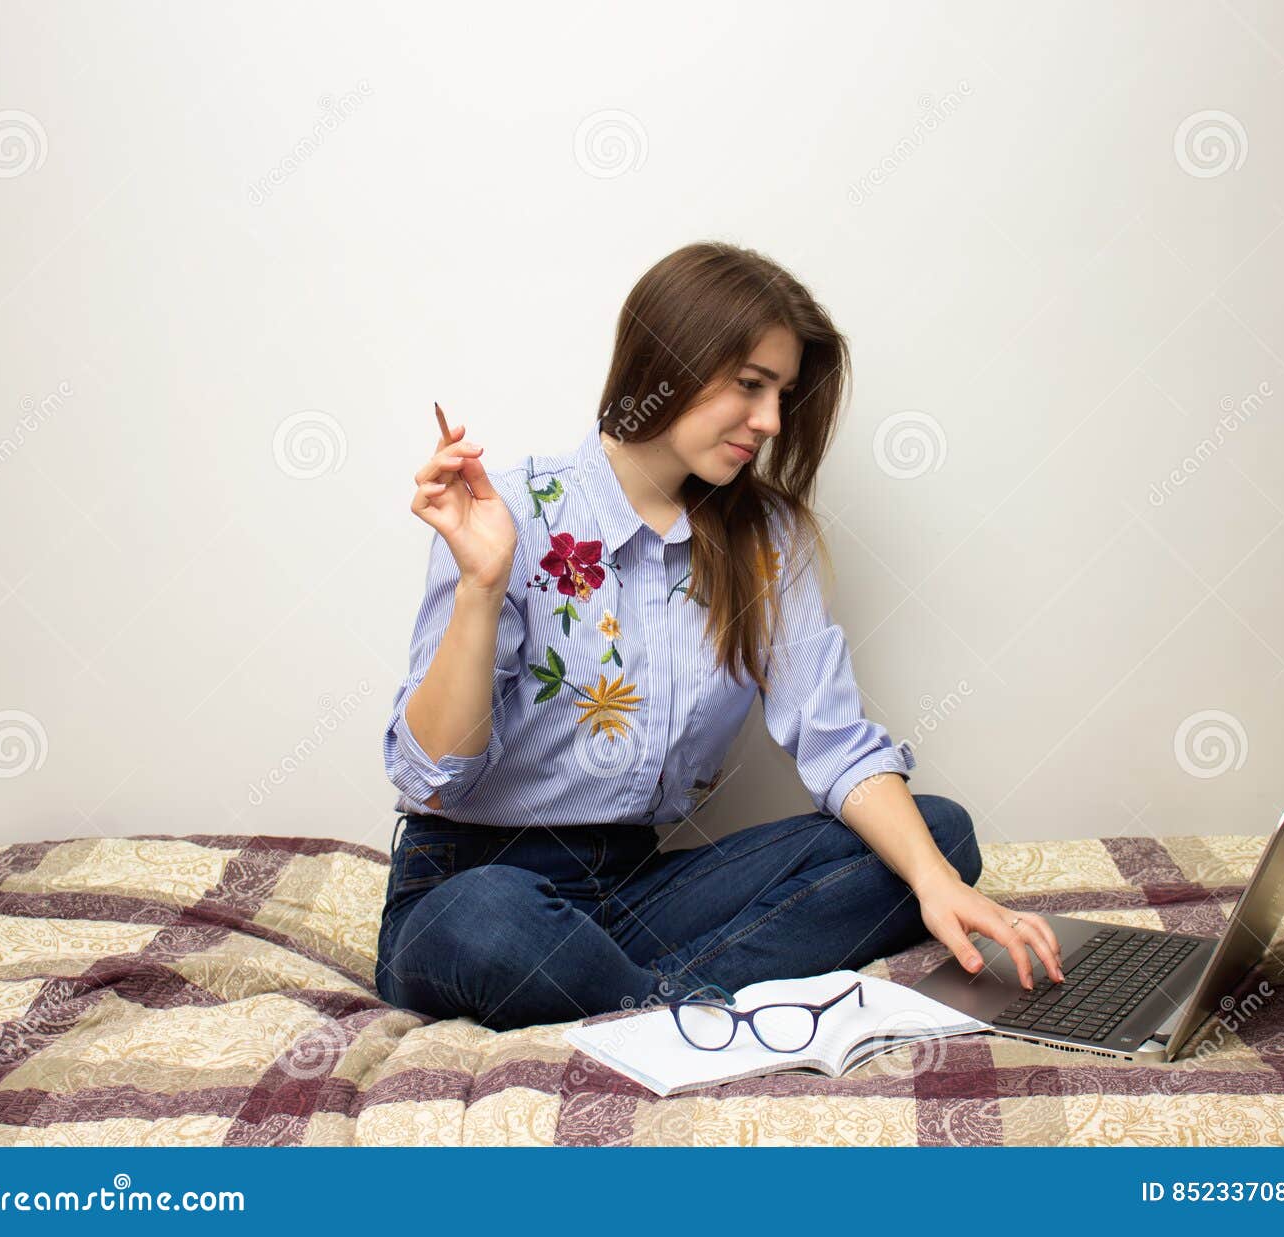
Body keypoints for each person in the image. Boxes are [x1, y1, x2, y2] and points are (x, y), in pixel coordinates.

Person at [375, 240, 1063, 1032]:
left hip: (638, 891)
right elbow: (432, 777)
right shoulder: (511, 512)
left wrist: (940, 886)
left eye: (782, 394)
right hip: (469, 884)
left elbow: (835, 743)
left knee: (939, 838)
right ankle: (677, 1002)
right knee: (487, 920)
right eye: (749, 385)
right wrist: (483, 585)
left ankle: (654, 1005)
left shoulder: (769, 537)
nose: (770, 421)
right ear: (665, 364)